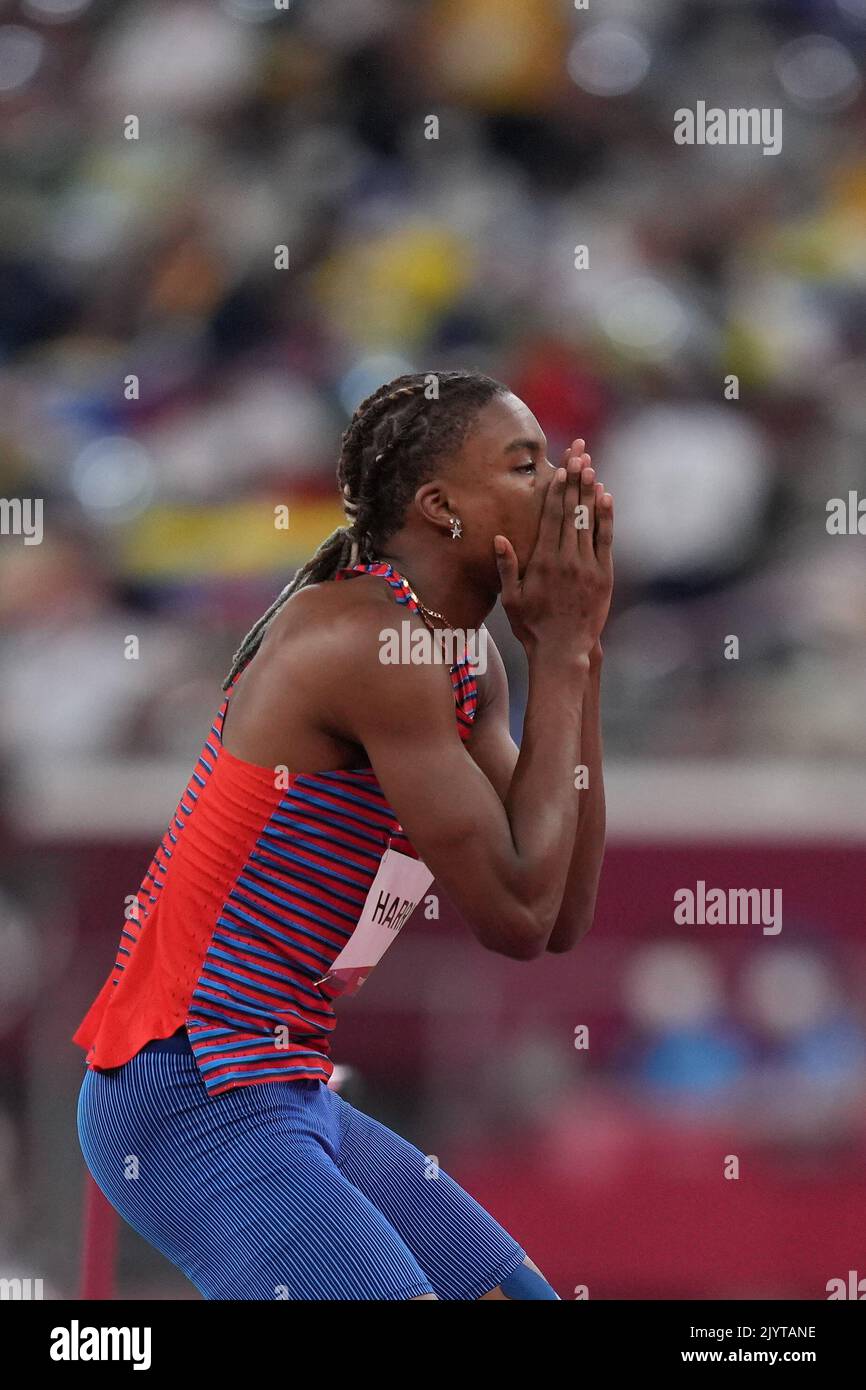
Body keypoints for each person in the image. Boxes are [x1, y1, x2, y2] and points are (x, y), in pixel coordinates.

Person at [73, 368, 614, 1300]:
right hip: (191, 1083)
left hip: (283, 1080)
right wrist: (563, 656)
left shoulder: (458, 655)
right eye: (525, 466)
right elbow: (517, 913)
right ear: (442, 507)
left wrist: (579, 654)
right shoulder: (366, 641)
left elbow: (559, 910)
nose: (563, 485)